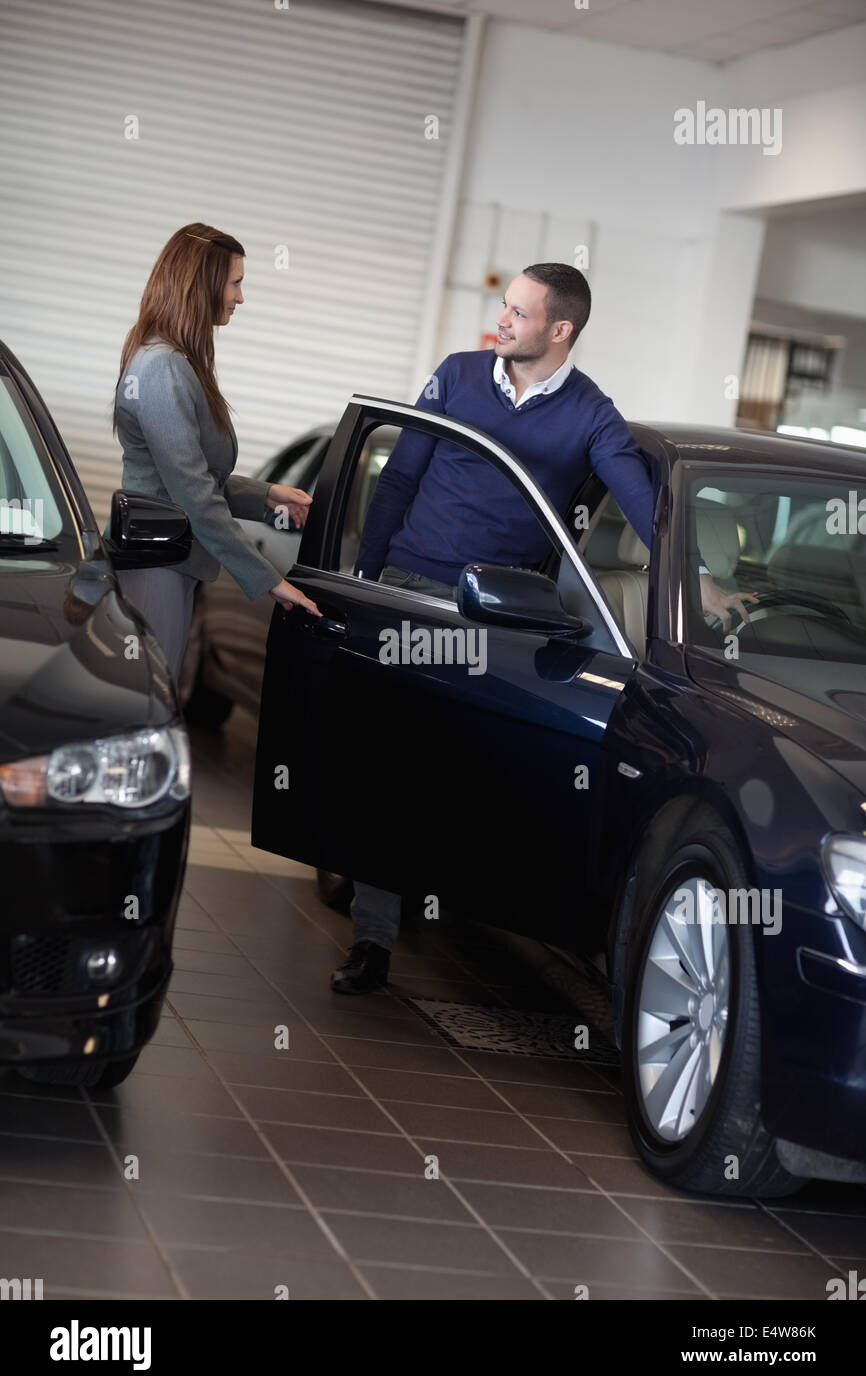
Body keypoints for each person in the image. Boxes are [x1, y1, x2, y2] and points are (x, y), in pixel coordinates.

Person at [331, 262, 755, 995]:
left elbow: (641, 499)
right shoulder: (457, 376)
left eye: (517, 312)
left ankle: (472, 918)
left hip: (505, 616)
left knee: (474, 772)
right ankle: (373, 938)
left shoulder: (592, 416)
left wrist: (698, 579)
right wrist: (368, 578)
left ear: (560, 330)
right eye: (503, 306)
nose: (501, 320)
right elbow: (399, 478)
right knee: (392, 767)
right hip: (413, 590)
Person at [111, 222, 320, 680]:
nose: (240, 298)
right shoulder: (162, 366)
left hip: (170, 562)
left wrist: (265, 495)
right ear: (202, 283)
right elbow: (192, 492)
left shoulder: (173, 361)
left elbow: (189, 476)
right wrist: (267, 578)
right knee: (149, 701)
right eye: (236, 283)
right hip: (158, 566)